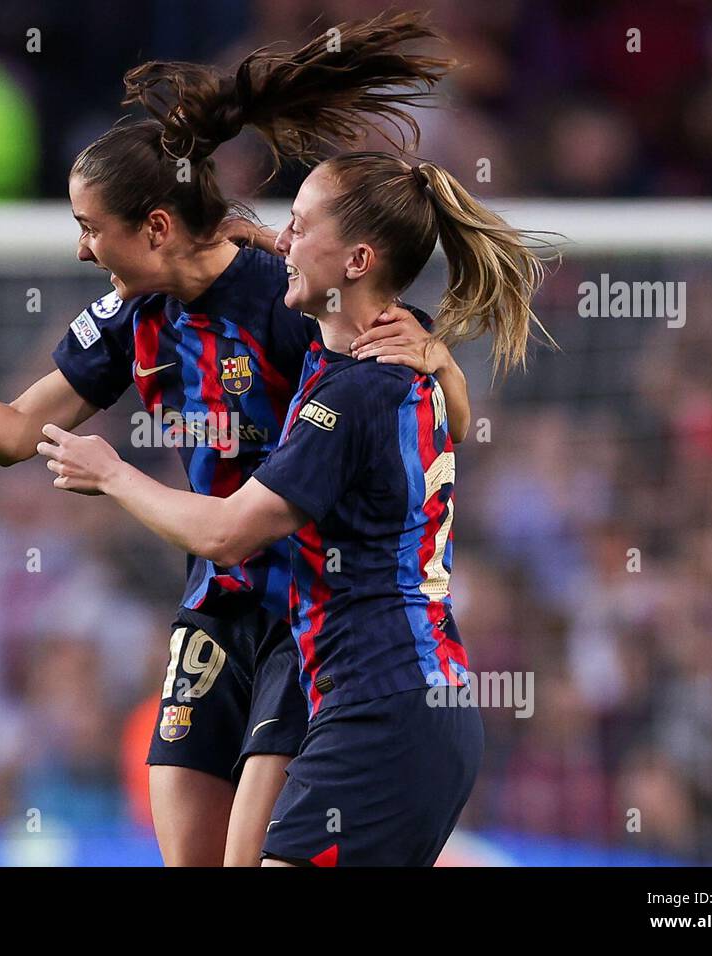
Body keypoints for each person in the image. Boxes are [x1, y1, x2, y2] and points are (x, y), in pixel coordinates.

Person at [0, 11, 468, 866]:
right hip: (214, 606)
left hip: (302, 619)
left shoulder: (284, 300)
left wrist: (440, 359)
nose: (81, 248)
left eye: (93, 227)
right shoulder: (134, 319)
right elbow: (18, 431)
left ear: (157, 227)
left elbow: (421, 407)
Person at [37, 150, 550, 865]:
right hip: (374, 698)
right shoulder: (356, 360)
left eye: (300, 228)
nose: (283, 240)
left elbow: (227, 533)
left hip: (387, 702)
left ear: (356, 260)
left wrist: (114, 474)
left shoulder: (353, 396)